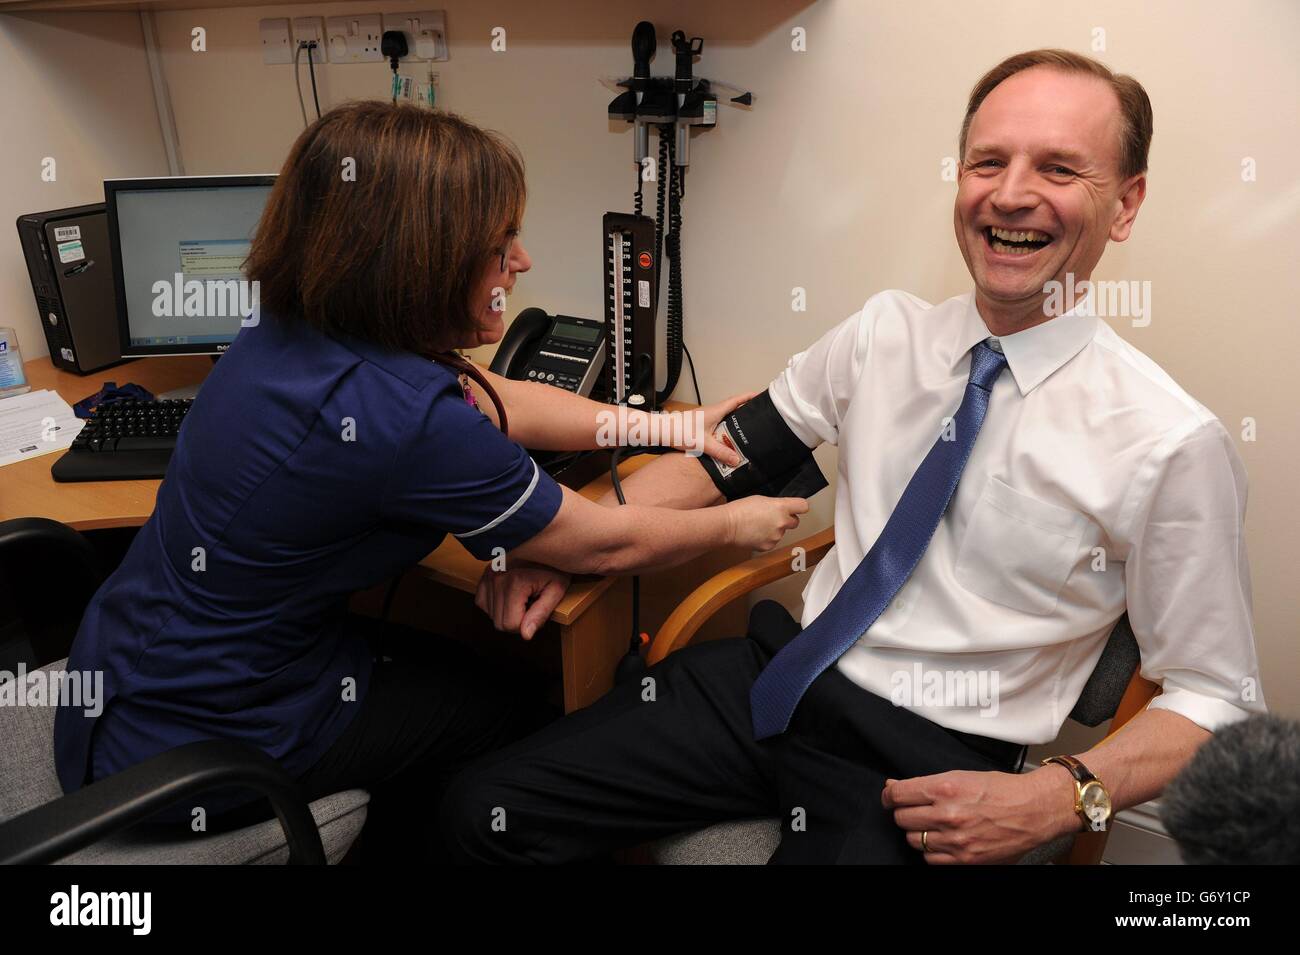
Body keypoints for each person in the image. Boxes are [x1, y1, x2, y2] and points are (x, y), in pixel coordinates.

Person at [442, 49, 1267, 864]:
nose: (1010, 192)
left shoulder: (1169, 440)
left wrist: (1059, 793)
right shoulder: (885, 333)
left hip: (931, 755)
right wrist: (577, 541)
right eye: (988, 160)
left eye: (1059, 169)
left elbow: (1217, 696)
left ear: (1126, 205)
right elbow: (726, 456)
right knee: (479, 813)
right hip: (776, 678)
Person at [52, 101, 807, 859]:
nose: (523, 261)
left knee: (447, 668)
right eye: (499, 244)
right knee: (516, 721)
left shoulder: (286, 325)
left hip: (115, 682)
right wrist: (736, 523)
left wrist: (668, 423)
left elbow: (500, 397)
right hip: (198, 750)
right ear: (419, 261)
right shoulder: (406, 417)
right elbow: (603, 544)